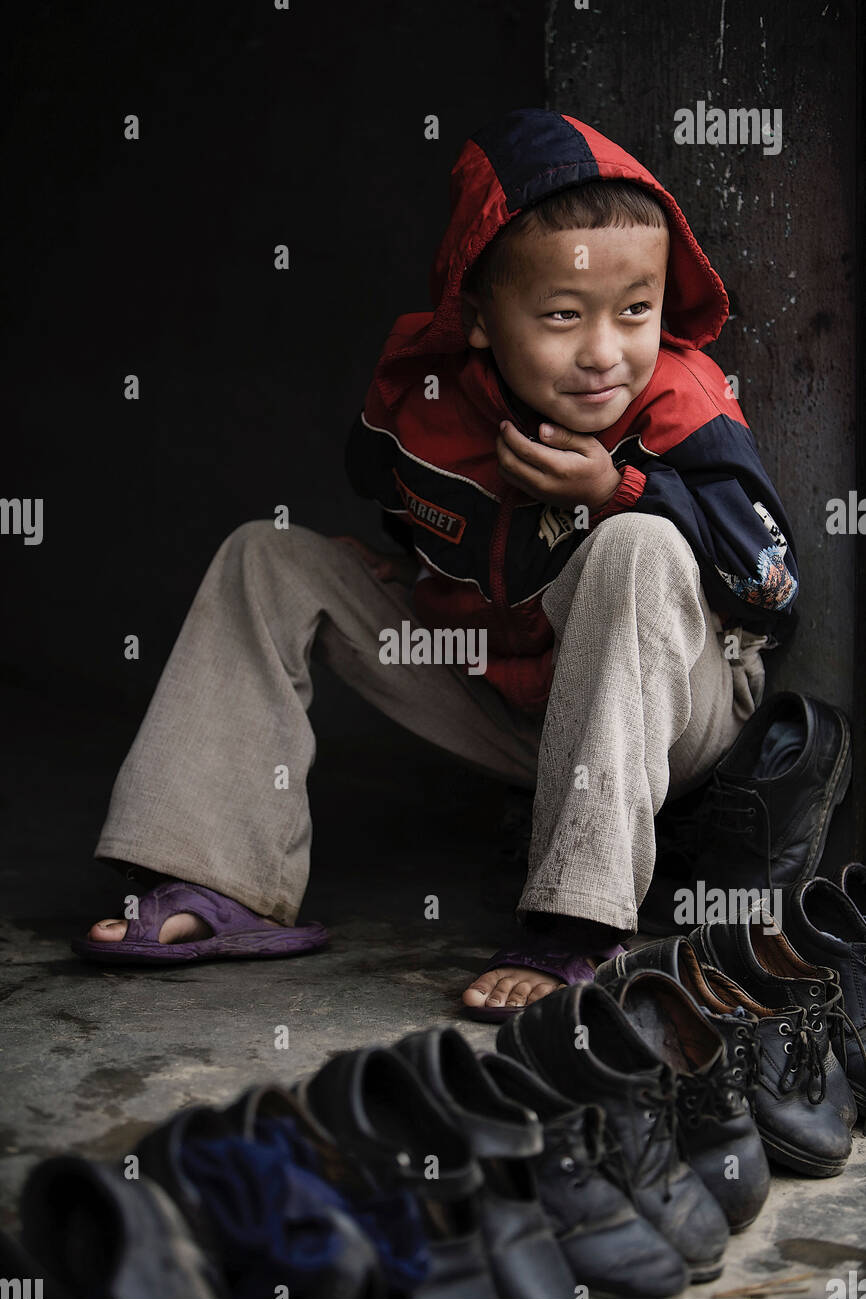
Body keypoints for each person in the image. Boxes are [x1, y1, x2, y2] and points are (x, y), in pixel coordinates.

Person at [77, 108, 798, 1019]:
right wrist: (394, 567)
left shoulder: (681, 403)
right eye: (563, 316)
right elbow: (408, 507)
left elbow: (775, 594)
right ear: (483, 323)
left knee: (638, 545)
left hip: (669, 721)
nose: (604, 352)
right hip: (503, 695)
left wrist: (619, 492)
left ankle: (579, 922)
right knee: (267, 557)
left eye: (636, 312)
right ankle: (216, 878)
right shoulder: (428, 398)